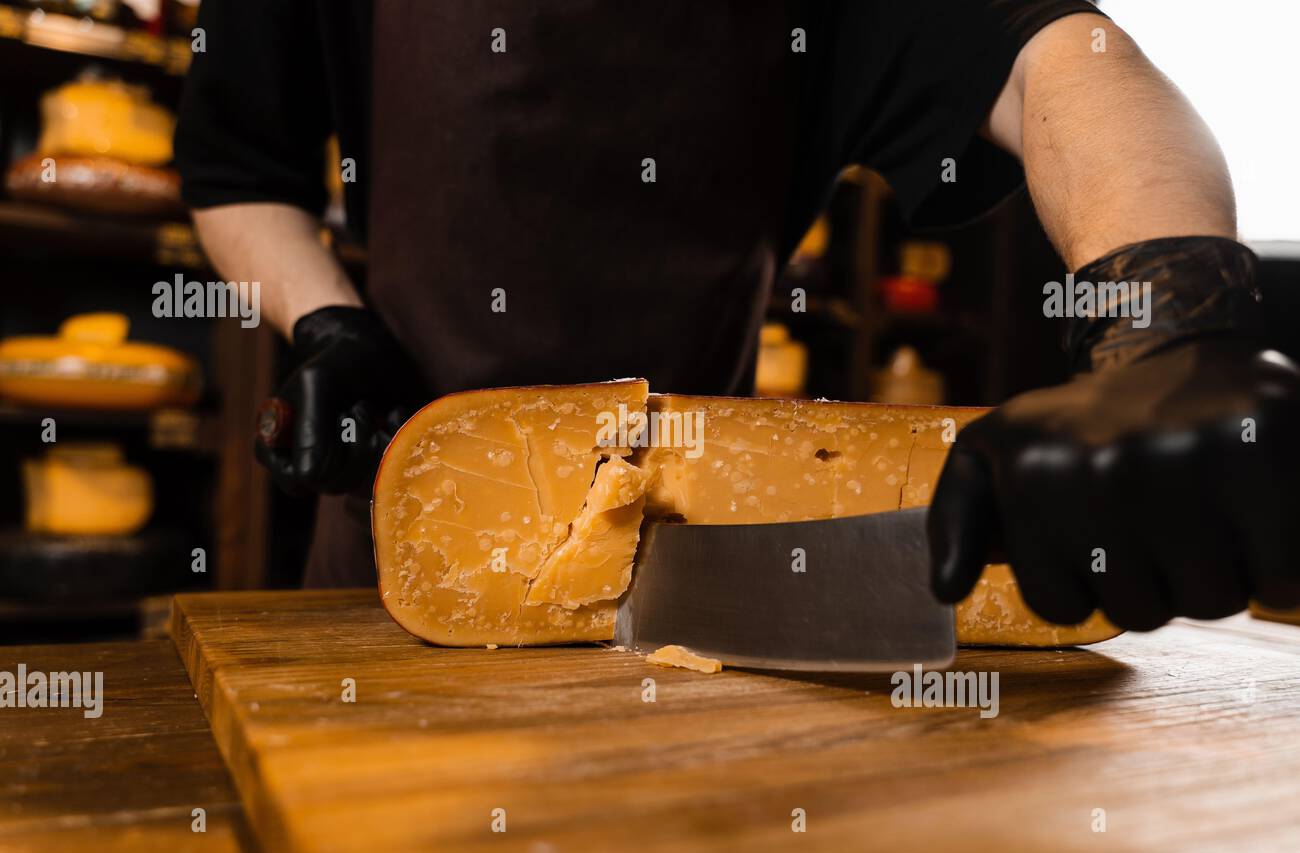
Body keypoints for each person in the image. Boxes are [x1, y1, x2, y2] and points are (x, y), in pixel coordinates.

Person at [174, 1, 1300, 632]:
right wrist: (330, 326)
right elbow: (235, 170)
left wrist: (1166, 323)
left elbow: (1067, 66)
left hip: (701, 568)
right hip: (406, 535)